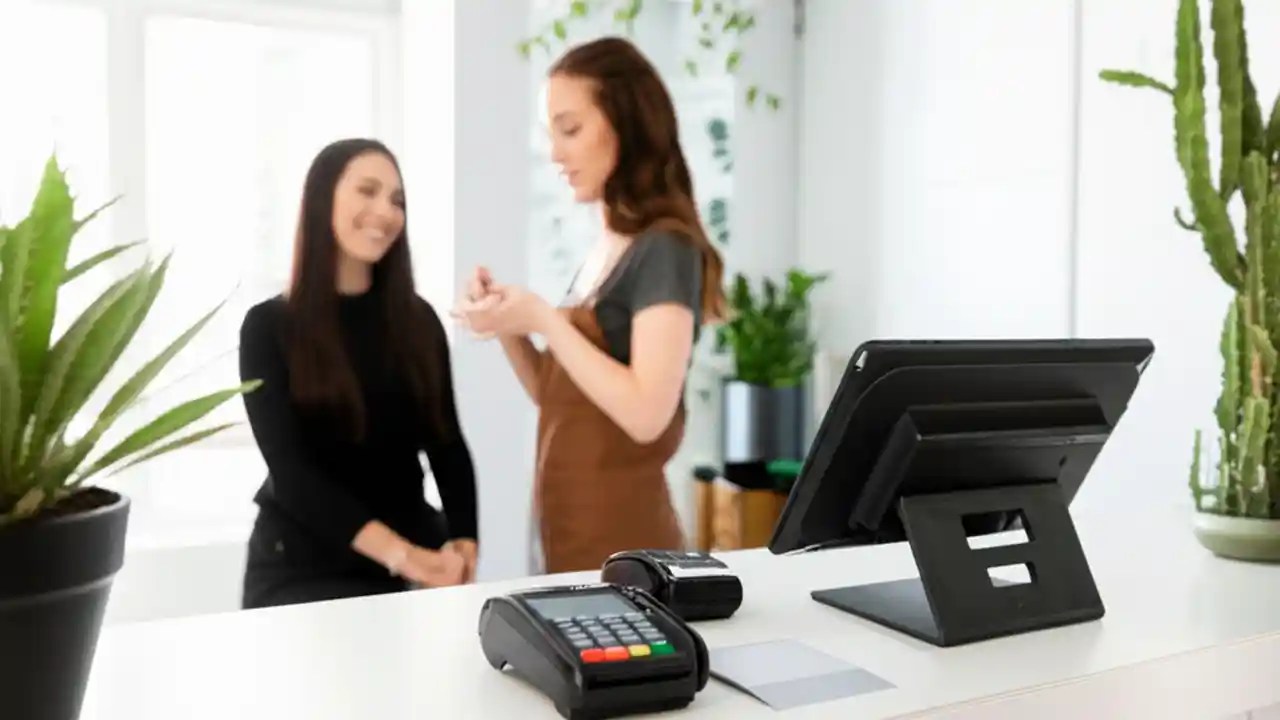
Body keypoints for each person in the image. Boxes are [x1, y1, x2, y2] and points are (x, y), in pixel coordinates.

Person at [454, 37, 727, 574]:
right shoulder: (606, 252)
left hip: (627, 545)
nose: (555, 153)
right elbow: (558, 398)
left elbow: (647, 414)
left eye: (570, 129)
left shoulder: (665, 249)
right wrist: (512, 325)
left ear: (625, 123)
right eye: (550, 133)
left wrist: (545, 320)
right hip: (569, 537)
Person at [239, 138, 478, 609]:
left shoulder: (419, 323)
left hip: (412, 556)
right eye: (366, 191)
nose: (384, 211)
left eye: (396, 200)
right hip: (303, 566)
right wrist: (404, 558)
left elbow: (447, 445)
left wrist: (465, 547)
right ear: (323, 199)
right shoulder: (268, 327)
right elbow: (292, 475)